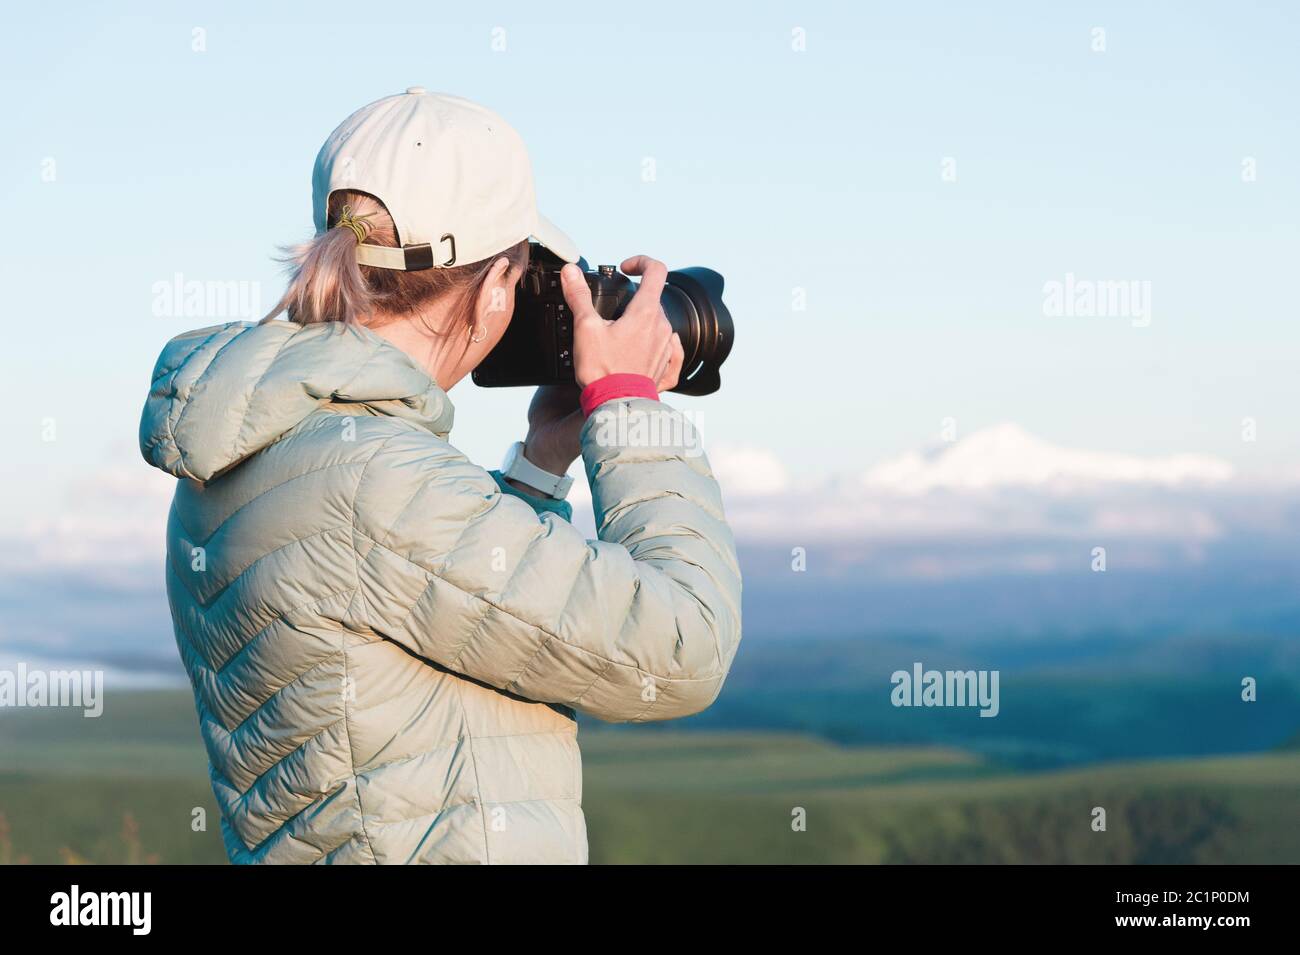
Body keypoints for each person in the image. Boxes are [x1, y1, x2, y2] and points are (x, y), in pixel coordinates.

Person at [138, 88, 742, 864]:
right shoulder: (373, 477)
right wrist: (630, 406)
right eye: (524, 275)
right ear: (493, 287)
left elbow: (439, 628)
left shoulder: (259, 447)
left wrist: (540, 459)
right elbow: (682, 647)